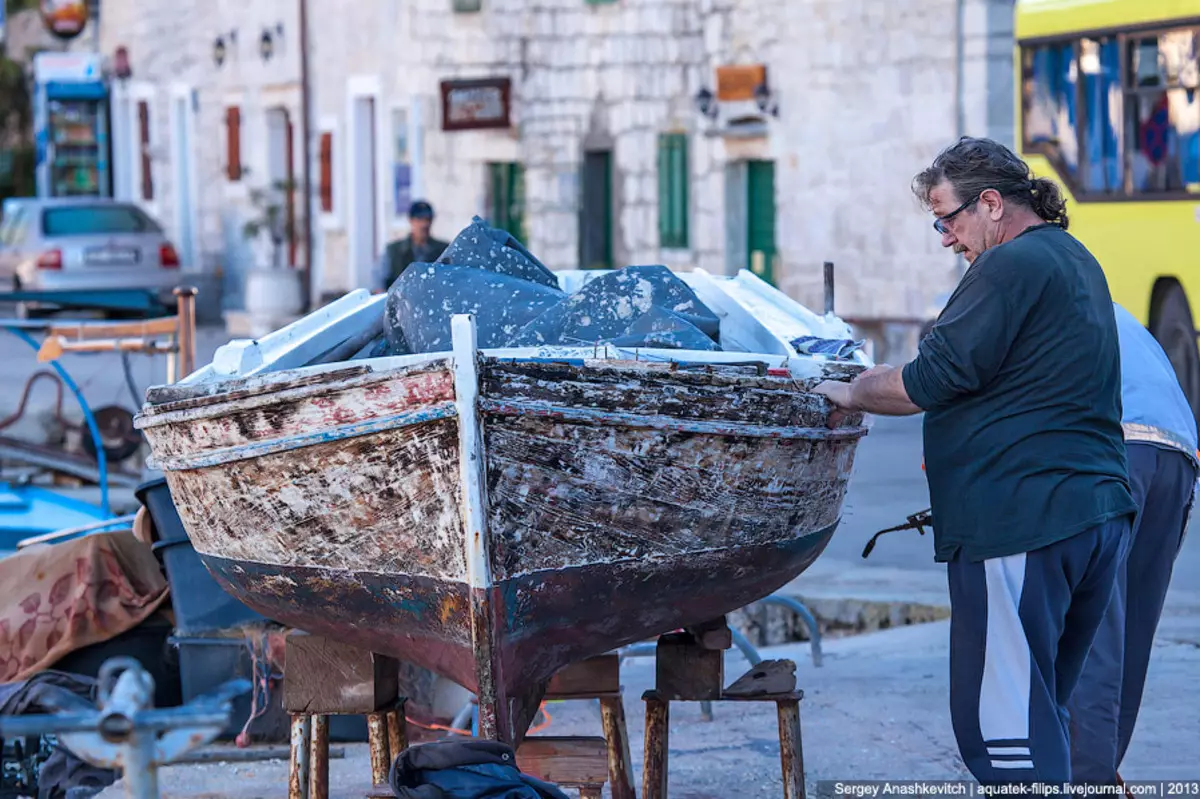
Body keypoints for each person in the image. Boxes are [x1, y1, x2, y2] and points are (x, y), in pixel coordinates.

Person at [815, 136, 1136, 784]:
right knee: (1041, 711)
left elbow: (930, 378)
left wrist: (851, 390)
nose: (944, 238)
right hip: (1092, 515)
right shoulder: (1076, 259)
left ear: (991, 203)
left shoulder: (1007, 266)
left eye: (947, 219)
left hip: (1026, 518)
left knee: (1007, 733)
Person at [1068, 304, 1198, 783]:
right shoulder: (1107, 305)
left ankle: (1084, 782)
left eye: (948, 222)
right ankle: (1099, 770)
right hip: (1177, 455)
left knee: (1092, 635)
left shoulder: (1013, 286)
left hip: (1114, 448)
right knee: (1129, 636)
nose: (948, 237)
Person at [377, 200, 450, 291]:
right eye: (419, 219)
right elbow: (380, 285)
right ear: (411, 220)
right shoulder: (393, 250)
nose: (424, 224)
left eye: (427, 219)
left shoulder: (443, 250)